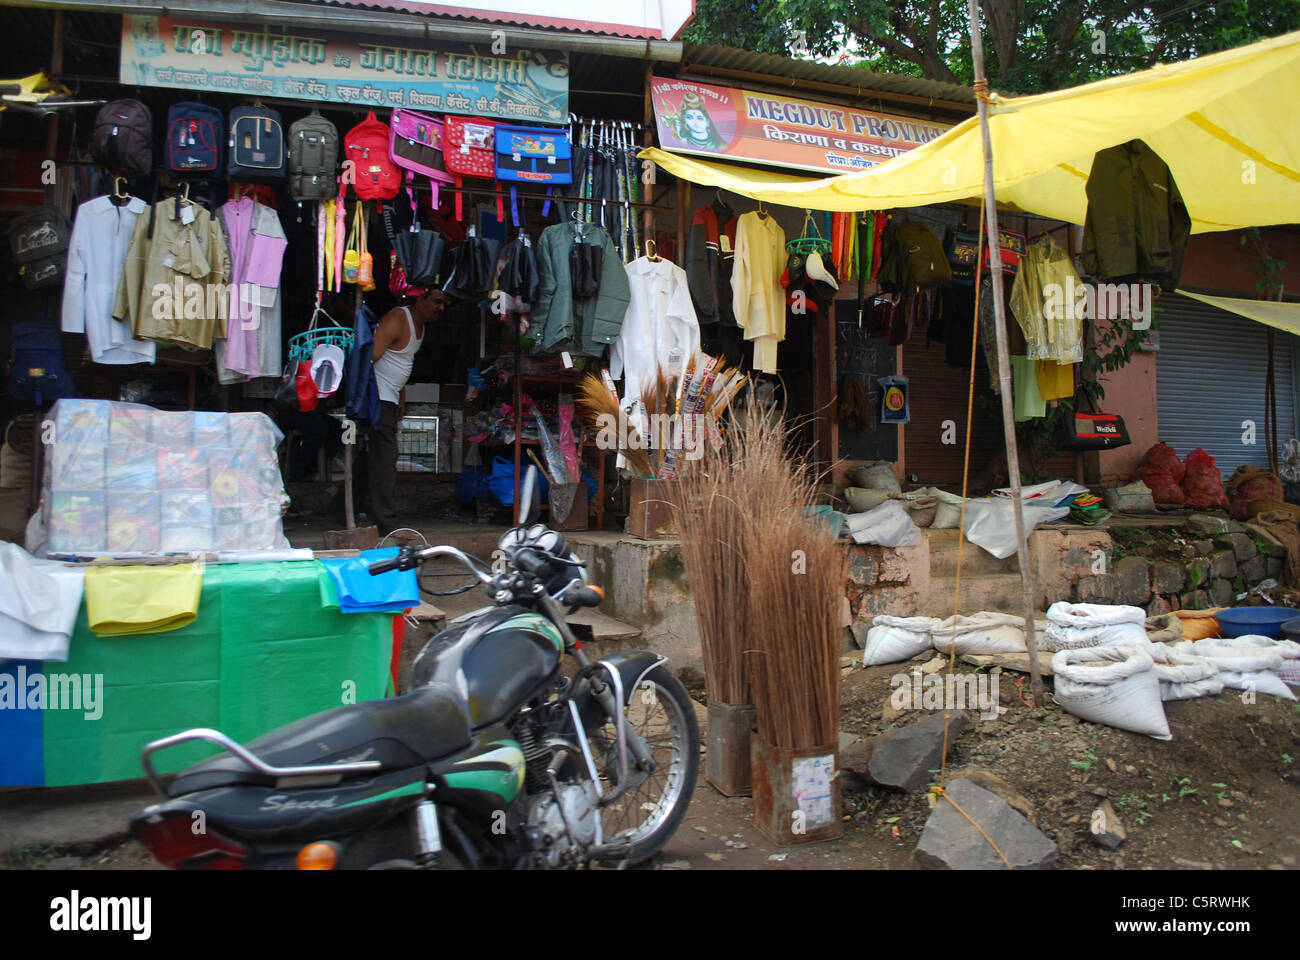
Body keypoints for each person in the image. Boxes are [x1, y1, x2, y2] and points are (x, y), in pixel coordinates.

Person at [368, 288, 447, 537]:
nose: (440, 308)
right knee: (386, 457)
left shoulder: (419, 326)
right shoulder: (398, 319)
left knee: (371, 459)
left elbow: (400, 361)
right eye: (436, 302)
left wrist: (401, 395)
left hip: (389, 396)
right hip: (377, 396)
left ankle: (339, 509)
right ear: (419, 299)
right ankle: (386, 523)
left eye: (444, 304)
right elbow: (369, 357)